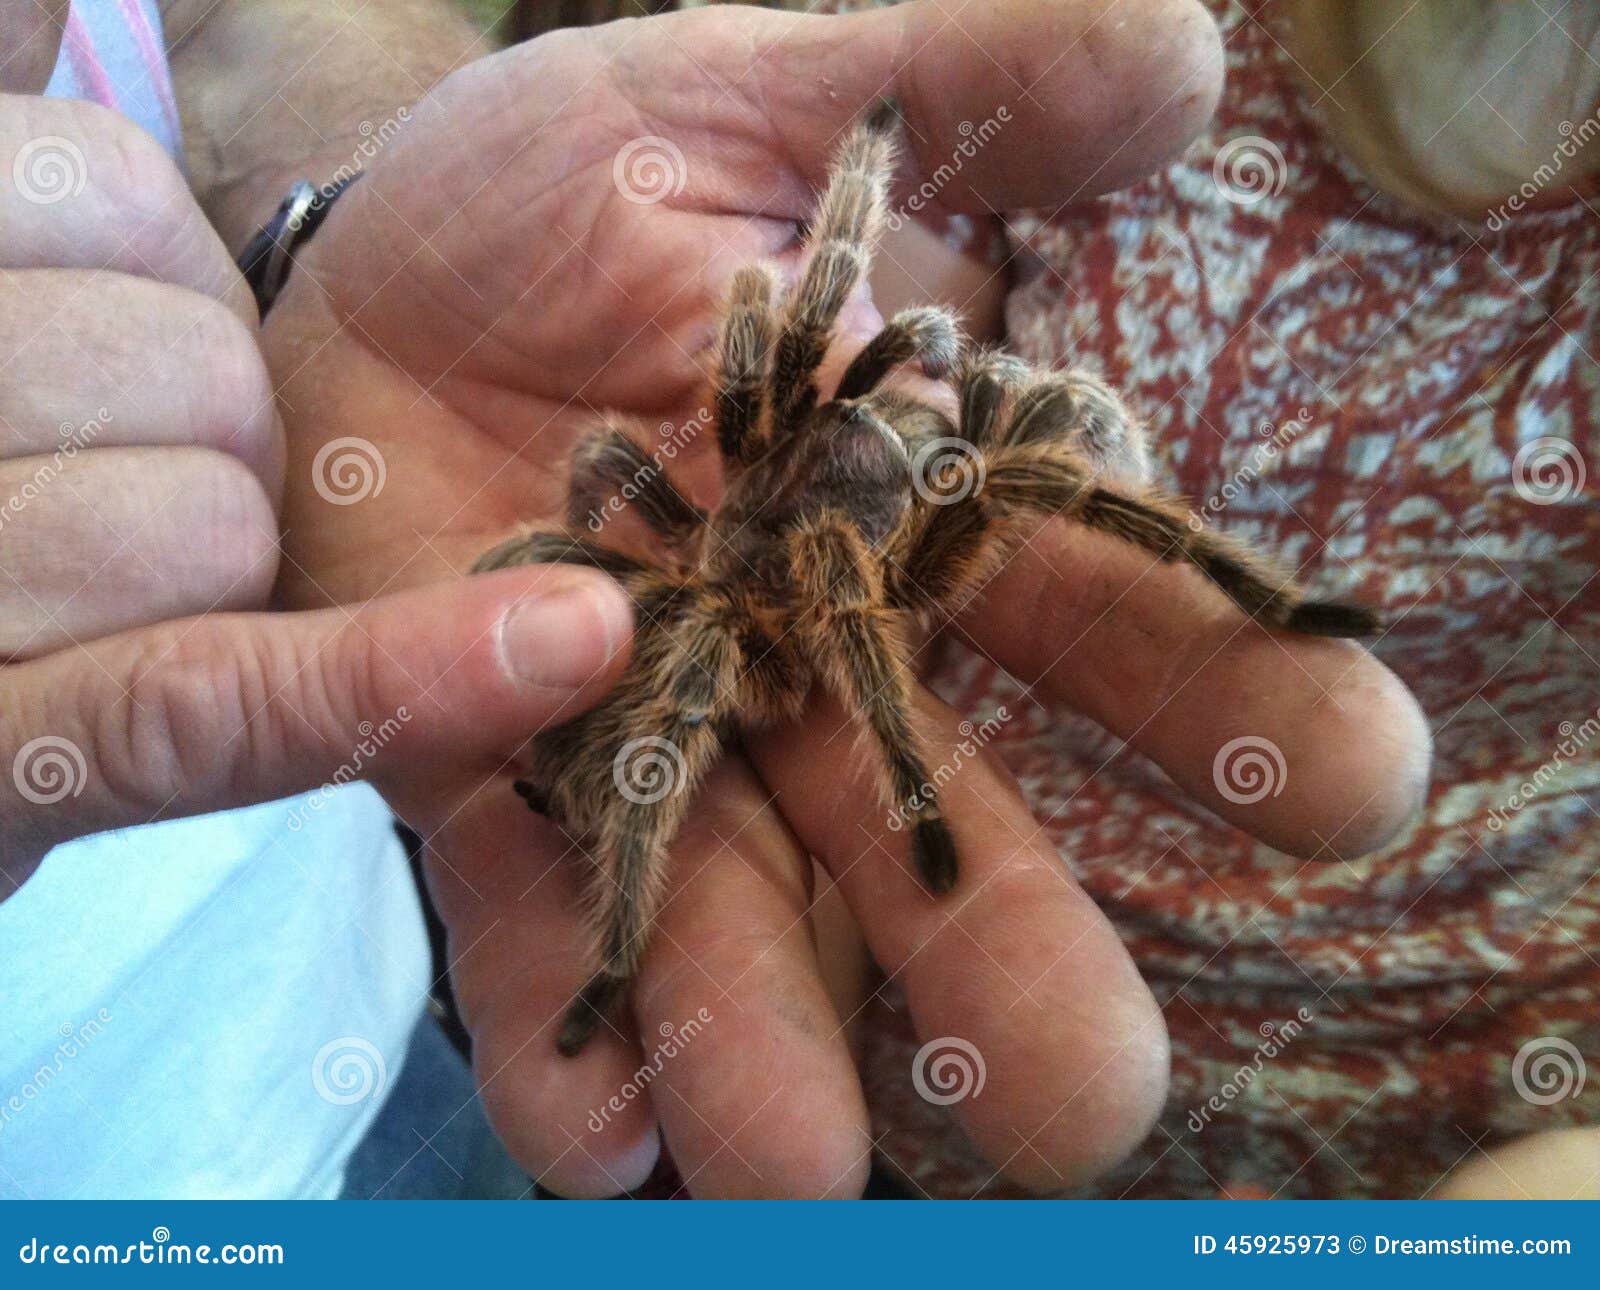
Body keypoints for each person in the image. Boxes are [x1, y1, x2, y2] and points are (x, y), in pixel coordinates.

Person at [0, 0, 1442, 1199]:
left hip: (352, 1004)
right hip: (134, 1126)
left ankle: (1261, 602)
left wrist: (338, 229)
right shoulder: (810, 533)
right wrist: (902, 773)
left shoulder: (771, 453)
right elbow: (773, 437)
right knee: (811, 573)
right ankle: (619, 939)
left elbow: (207, 16)